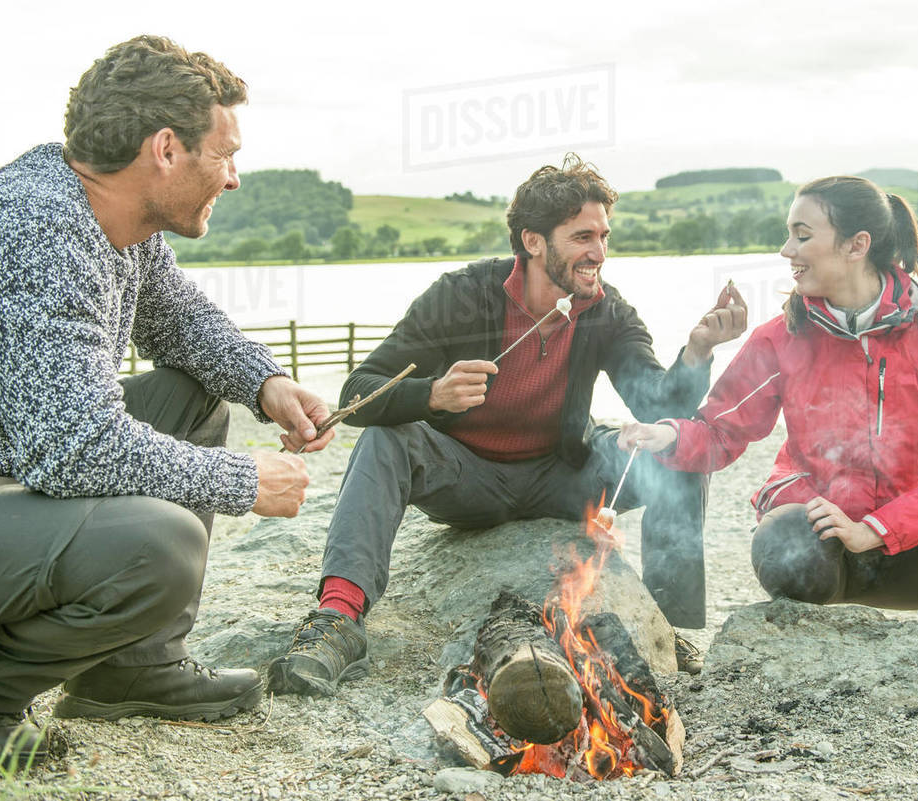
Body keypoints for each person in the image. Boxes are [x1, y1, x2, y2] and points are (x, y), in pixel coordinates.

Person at [0, 35, 333, 768]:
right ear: (166, 148)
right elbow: (73, 448)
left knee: (191, 399)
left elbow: (181, 321)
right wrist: (243, 481)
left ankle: (130, 665)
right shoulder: (37, 226)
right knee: (159, 546)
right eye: (225, 154)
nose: (234, 178)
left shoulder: (107, 215)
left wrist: (268, 383)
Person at [266, 154, 747, 698]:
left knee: (676, 450)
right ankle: (338, 620)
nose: (599, 252)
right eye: (582, 236)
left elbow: (660, 402)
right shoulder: (461, 296)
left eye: (605, 236)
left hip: (562, 475)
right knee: (385, 438)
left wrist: (701, 348)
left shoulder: (606, 310)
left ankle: (665, 626)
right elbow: (359, 391)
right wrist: (433, 394)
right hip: (467, 480)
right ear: (534, 241)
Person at [619, 176, 918, 628]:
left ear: (856, 246)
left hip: (908, 547)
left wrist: (875, 529)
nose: (786, 250)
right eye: (789, 234)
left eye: (802, 235)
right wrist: (668, 434)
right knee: (783, 537)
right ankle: (815, 650)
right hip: (819, 552)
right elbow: (720, 432)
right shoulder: (779, 338)